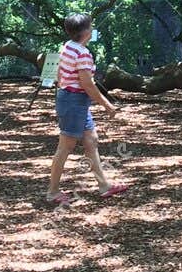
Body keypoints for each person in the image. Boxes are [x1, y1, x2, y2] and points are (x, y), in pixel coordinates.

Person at [45, 13, 129, 207]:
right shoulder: (82, 53)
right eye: (90, 26)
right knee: (65, 147)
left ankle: (104, 186)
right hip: (74, 101)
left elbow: (60, 73)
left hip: (74, 100)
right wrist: (106, 104)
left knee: (91, 141)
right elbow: (88, 84)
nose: (92, 29)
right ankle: (52, 192)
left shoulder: (67, 46)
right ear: (86, 32)